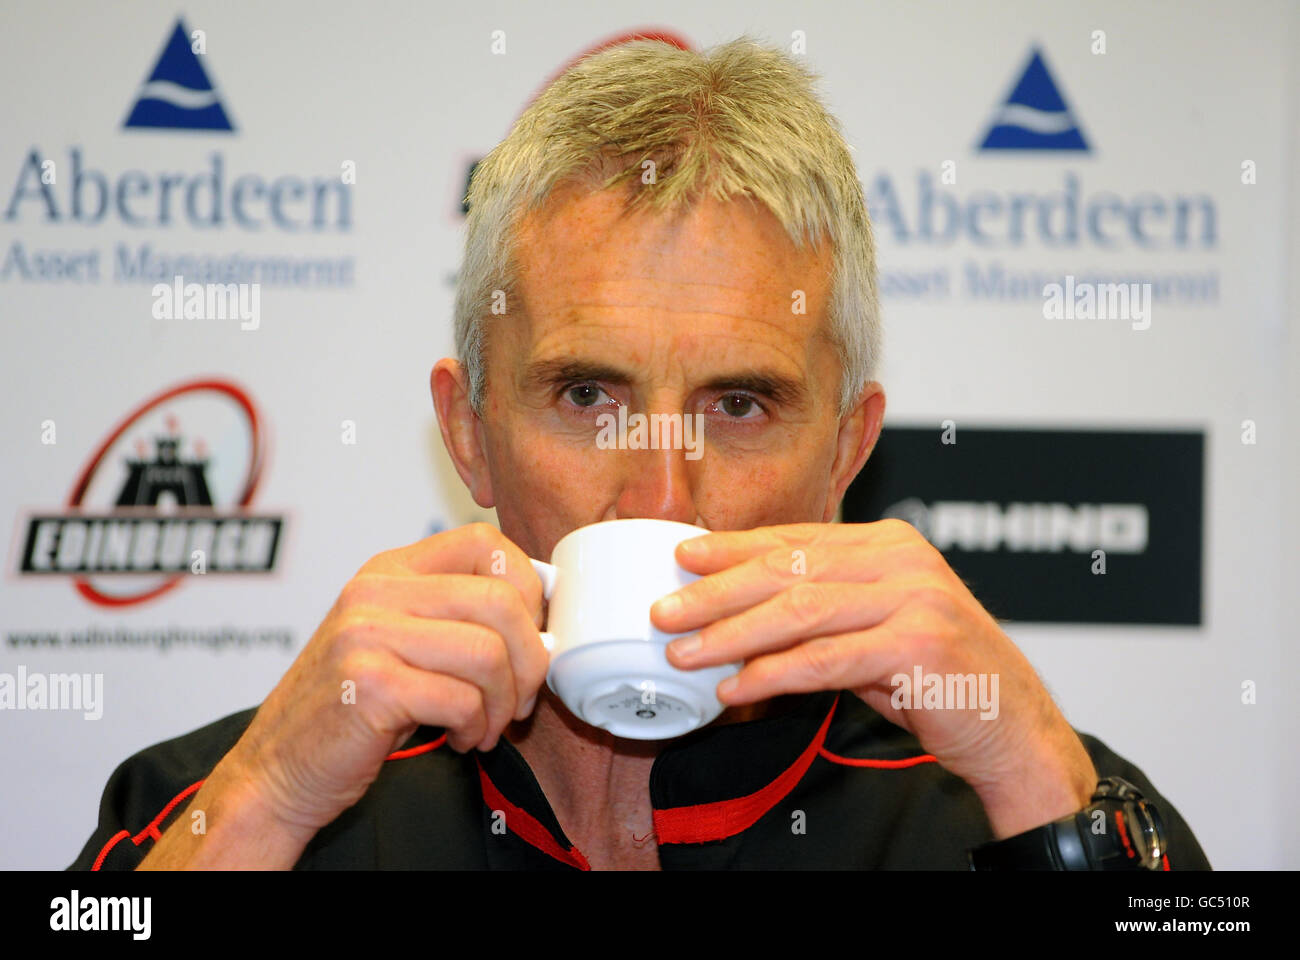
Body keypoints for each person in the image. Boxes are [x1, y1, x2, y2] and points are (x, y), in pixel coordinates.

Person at [70, 36, 1210, 871]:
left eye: (739, 406)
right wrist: (266, 800)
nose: (661, 495)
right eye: (584, 394)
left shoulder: (1010, 799)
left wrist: (1033, 773)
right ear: (469, 436)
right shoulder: (221, 800)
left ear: (847, 452)